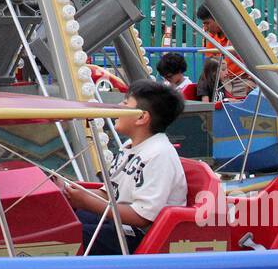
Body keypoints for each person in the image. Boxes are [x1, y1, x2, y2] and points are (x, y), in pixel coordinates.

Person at [59, 79, 187, 255]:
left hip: (140, 236)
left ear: (142, 117)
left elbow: (142, 217)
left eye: (125, 103)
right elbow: (109, 192)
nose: (118, 106)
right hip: (120, 223)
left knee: (66, 236)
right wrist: (68, 191)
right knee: (63, 219)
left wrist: (87, 201)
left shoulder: (159, 154)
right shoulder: (129, 146)